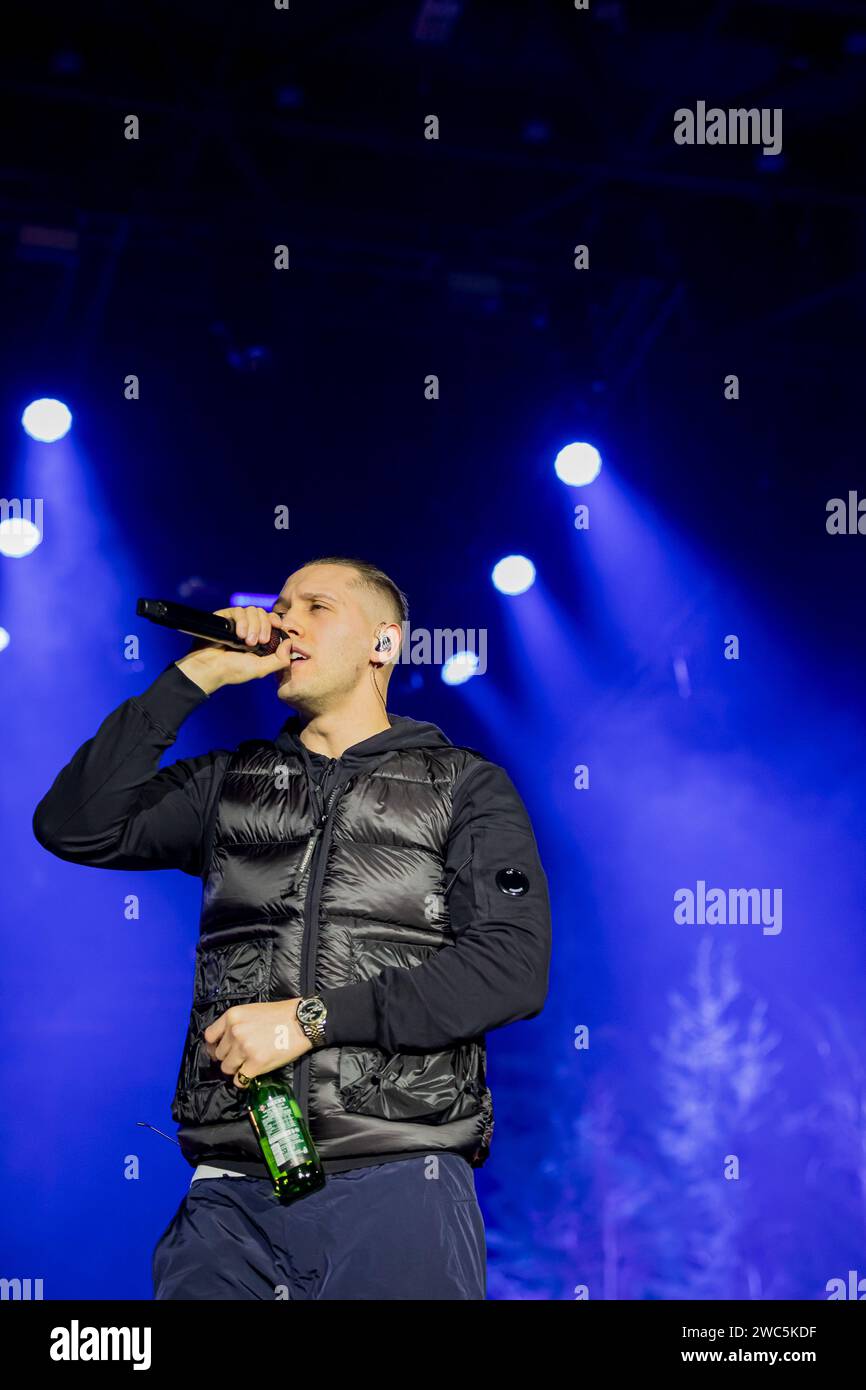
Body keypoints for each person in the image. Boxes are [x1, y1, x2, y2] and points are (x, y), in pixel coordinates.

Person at [32, 555, 552, 1300]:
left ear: (383, 644)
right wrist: (196, 678)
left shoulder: (464, 785)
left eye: (316, 607)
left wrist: (311, 1020)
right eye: (280, 606)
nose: (285, 621)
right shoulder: (228, 784)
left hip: (398, 1175)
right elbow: (73, 826)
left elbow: (511, 967)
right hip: (230, 1194)